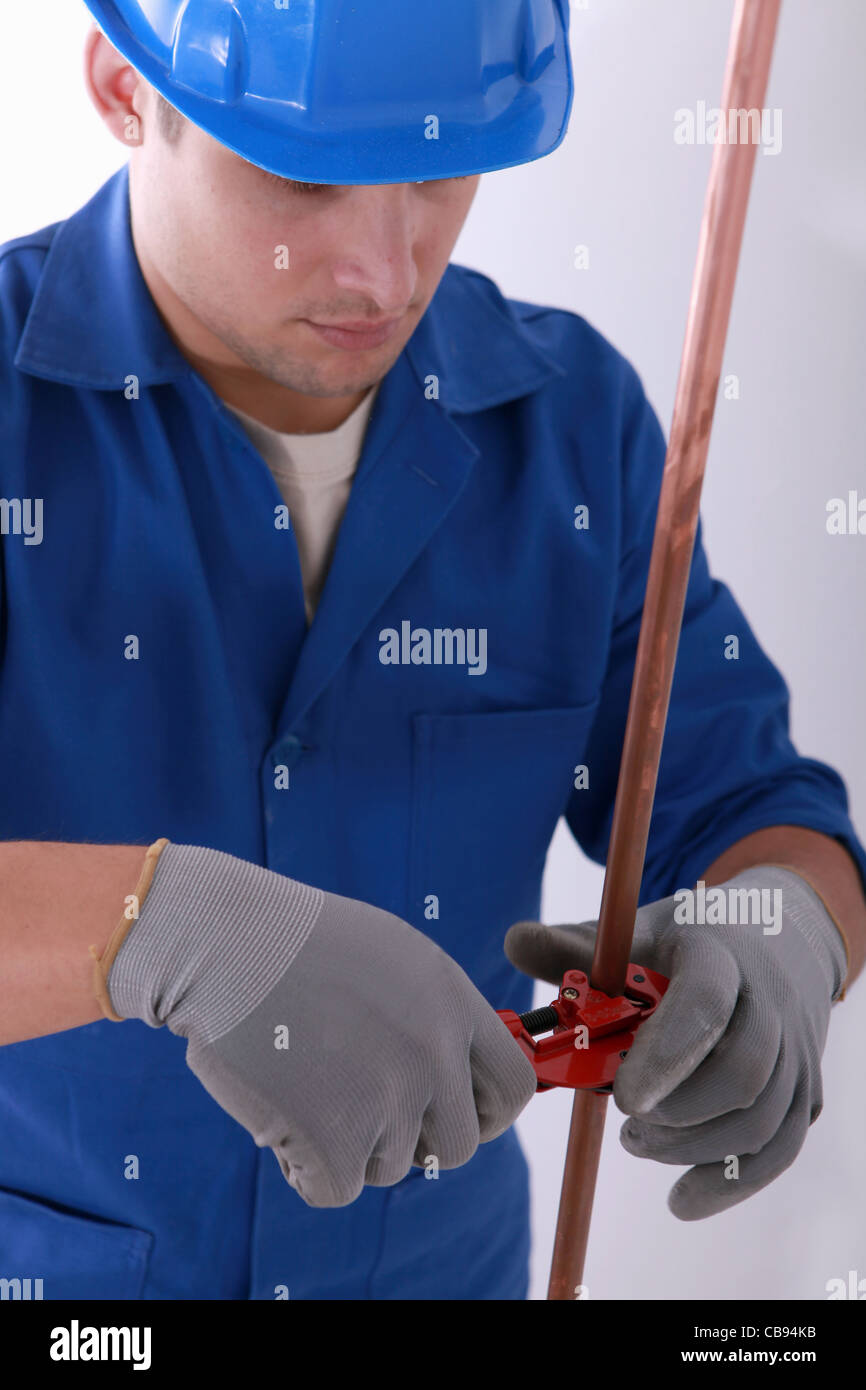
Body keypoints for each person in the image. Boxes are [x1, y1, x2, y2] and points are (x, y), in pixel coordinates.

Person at [1, 0, 863, 1301]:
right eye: (304, 175)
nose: (383, 272)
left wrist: (782, 930)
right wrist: (156, 930)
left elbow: (752, 807)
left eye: (434, 174)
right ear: (126, 90)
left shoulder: (573, 432)